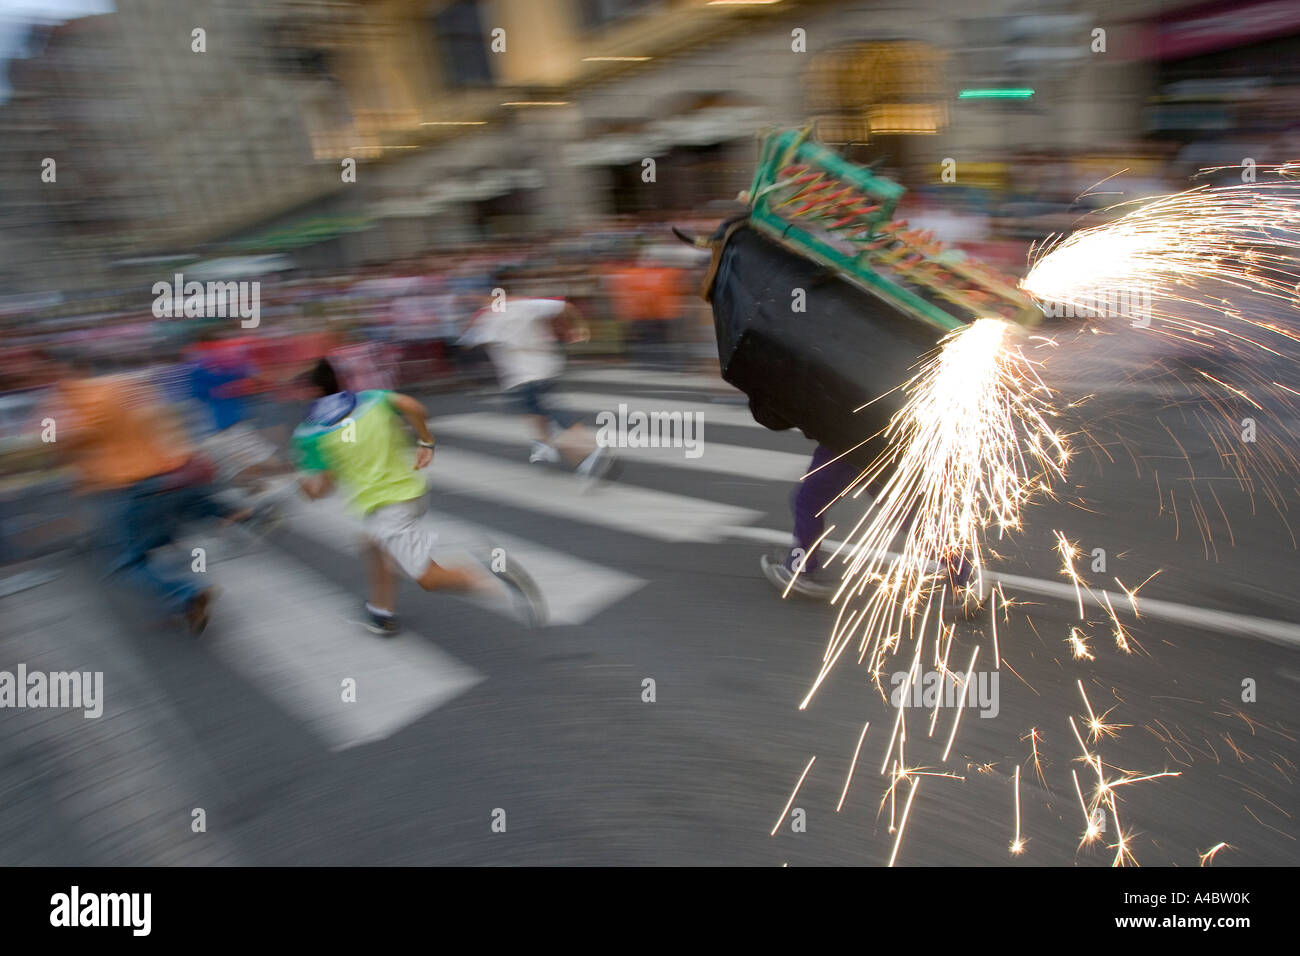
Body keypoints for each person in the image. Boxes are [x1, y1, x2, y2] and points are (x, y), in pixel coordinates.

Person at [291, 358, 544, 635]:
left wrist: (299, 476)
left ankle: (498, 585)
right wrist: (426, 441)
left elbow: (319, 491)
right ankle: (381, 611)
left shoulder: (311, 434)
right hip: (412, 490)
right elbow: (414, 406)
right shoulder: (371, 399)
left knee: (428, 579)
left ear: (314, 392)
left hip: (386, 506)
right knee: (373, 544)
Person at [54, 359, 243, 633]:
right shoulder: (135, 387)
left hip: (129, 487)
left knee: (127, 562)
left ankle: (187, 592)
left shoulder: (85, 398)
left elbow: (69, 441)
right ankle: (181, 595)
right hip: (168, 477)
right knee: (160, 540)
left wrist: (67, 452)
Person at [460, 288, 615, 481]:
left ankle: (588, 449)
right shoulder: (528, 305)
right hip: (546, 368)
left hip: (520, 377)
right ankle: (547, 445)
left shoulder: (488, 318)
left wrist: (473, 325)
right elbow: (566, 306)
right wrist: (576, 328)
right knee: (540, 409)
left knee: (551, 412)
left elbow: (467, 341)